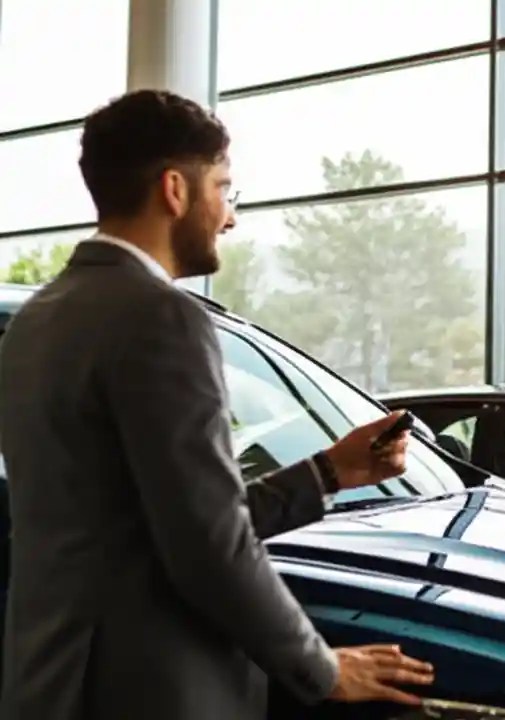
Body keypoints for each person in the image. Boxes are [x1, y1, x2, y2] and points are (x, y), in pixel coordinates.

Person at [0, 90, 433, 720]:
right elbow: (206, 546)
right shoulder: (162, 318)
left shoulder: (36, 321)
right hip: (150, 691)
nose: (229, 216)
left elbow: (156, 524)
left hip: (49, 685)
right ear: (175, 190)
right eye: (225, 189)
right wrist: (321, 668)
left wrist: (331, 473)